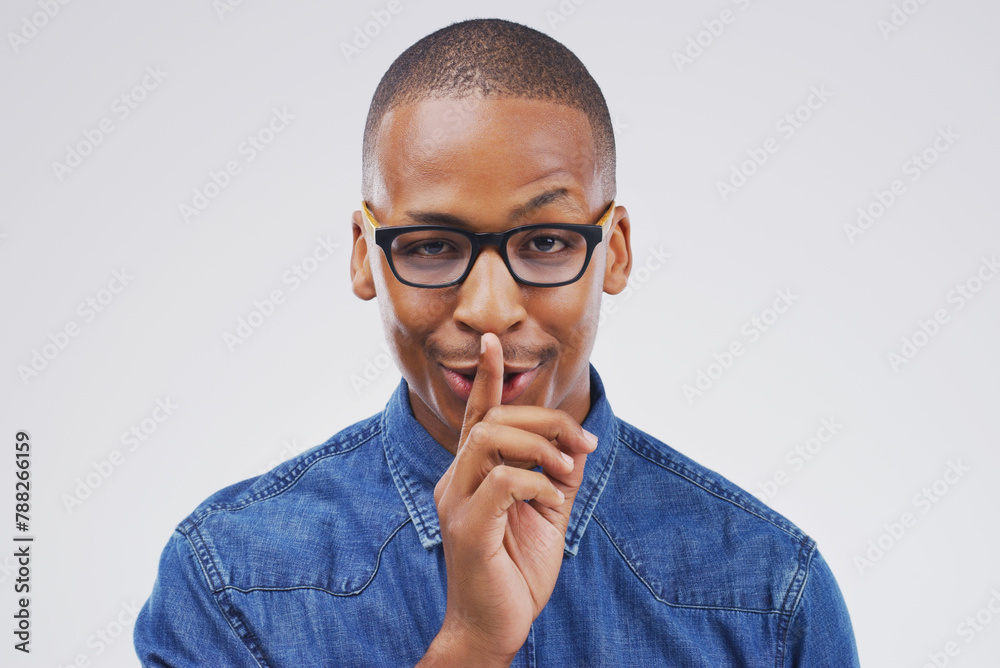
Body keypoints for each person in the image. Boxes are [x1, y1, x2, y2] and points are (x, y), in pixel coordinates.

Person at [134, 18, 860, 667]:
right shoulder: (230, 578)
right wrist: (472, 646)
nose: (488, 310)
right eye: (430, 247)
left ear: (615, 252)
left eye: (545, 242)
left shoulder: (770, 594)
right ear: (364, 254)